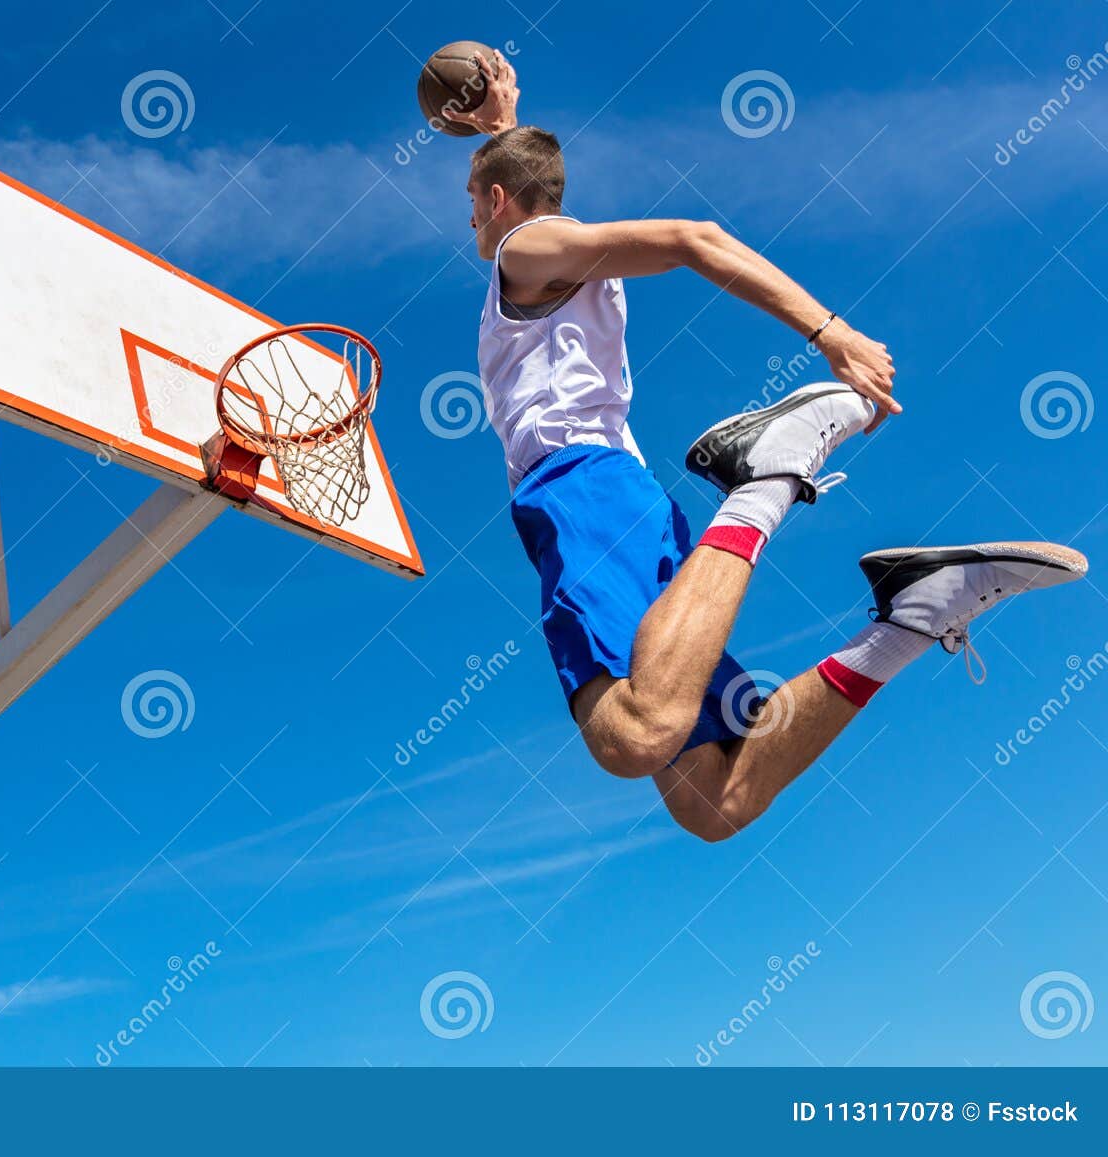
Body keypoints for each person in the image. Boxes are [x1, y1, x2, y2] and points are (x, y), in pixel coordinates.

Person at [443, 52, 1088, 842]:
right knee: (716, 802)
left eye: (473, 198)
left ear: (499, 199)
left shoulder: (522, 252)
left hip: (578, 490)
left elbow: (691, 237)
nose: (468, 216)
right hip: (621, 494)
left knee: (633, 733)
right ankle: (917, 615)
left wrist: (832, 333)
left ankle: (767, 472)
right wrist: (502, 128)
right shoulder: (560, 248)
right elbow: (542, 194)